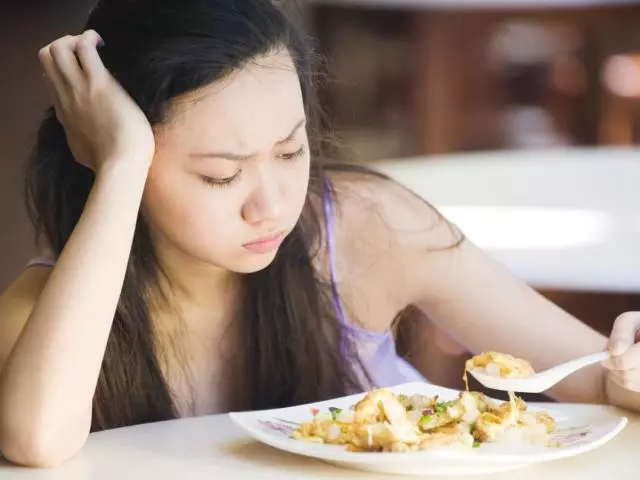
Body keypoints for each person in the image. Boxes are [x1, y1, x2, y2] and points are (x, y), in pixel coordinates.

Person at [0, 0, 637, 468]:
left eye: (290, 151)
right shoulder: (54, 311)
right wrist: (117, 165)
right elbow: (36, 440)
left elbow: (597, 378)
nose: (272, 205)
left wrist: (630, 369)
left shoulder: (362, 228)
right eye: (221, 176)